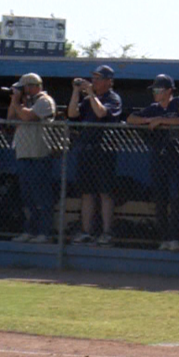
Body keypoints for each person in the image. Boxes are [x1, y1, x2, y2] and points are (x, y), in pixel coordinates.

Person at [127, 74, 179, 252]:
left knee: (176, 198)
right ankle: (164, 238)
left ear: (169, 91)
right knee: (160, 200)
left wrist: (162, 121)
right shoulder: (153, 108)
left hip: (176, 156)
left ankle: (175, 238)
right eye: (154, 90)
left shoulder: (178, 102)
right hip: (158, 158)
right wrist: (149, 120)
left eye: (158, 89)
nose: (155, 93)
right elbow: (131, 118)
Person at [68, 65, 123, 246]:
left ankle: (107, 232)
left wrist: (90, 93)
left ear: (108, 81)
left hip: (104, 150)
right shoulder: (89, 98)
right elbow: (72, 113)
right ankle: (86, 231)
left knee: (105, 192)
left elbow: (101, 113)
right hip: (86, 150)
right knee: (87, 193)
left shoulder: (112, 98)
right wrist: (77, 92)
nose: (94, 81)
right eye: (94, 78)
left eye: (99, 78)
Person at [7, 73, 57, 245]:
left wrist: (17, 102)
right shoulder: (23, 103)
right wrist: (15, 100)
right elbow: (11, 119)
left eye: (23, 87)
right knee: (27, 196)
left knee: (41, 196)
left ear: (32, 86)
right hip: (23, 153)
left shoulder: (44, 100)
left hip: (39, 154)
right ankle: (29, 230)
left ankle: (44, 232)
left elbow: (29, 116)